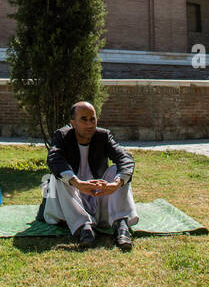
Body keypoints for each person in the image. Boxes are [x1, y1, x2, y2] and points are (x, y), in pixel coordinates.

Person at [42, 101, 139, 250]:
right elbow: (54, 159)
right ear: (72, 123)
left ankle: (121, 226)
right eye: (84, 119)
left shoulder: (103, 136)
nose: (89, 124)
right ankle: (84, 227)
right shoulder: (62, 136)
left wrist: (116, 183)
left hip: (97, 198)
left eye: (92, 119)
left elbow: (125, 159)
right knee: (59, 177)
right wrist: (78, 183)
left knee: (117, 171)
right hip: (72, 200)